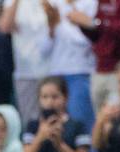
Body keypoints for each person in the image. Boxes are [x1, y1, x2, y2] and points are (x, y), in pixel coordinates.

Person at [39, 0, 98, 129]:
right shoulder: (54, 4)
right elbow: (43, 51)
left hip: (80, 71)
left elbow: (89, 42)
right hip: (56, 73)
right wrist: (51, 27)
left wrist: (76, 21)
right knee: (54, 122)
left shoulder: (91, 3)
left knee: (80, 122)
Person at [0, 0, 51, 121]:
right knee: (29, 120)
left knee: (53, 116)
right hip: (25, 71)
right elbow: (5, 27)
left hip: (52, 69)